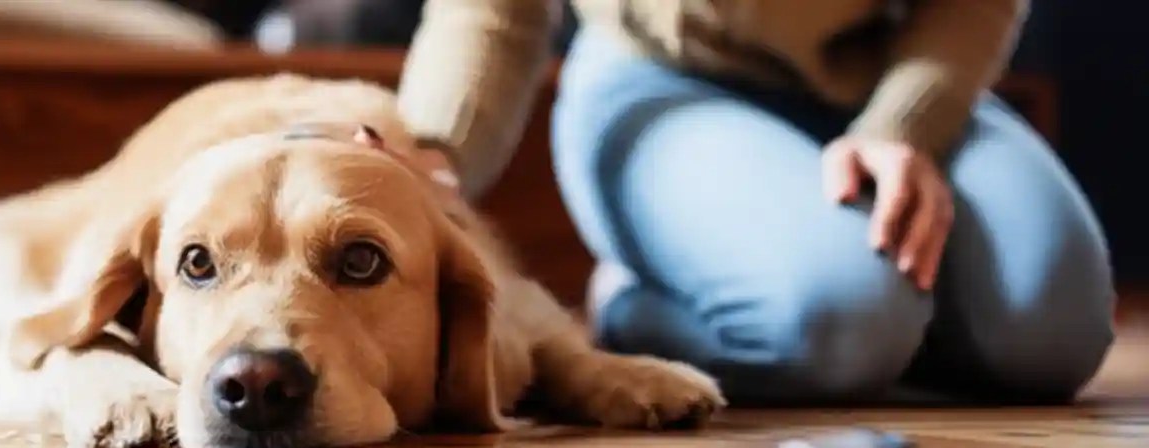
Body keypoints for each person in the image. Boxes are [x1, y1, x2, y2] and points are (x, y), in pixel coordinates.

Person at [397, 0, 1116, 405]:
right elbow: (492, 15)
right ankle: (632, 308)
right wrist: (432, 152)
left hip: (881, 72)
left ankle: (809, 304)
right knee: (845, 327)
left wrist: (904, 127)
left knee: (1054, 339)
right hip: (660, 78)